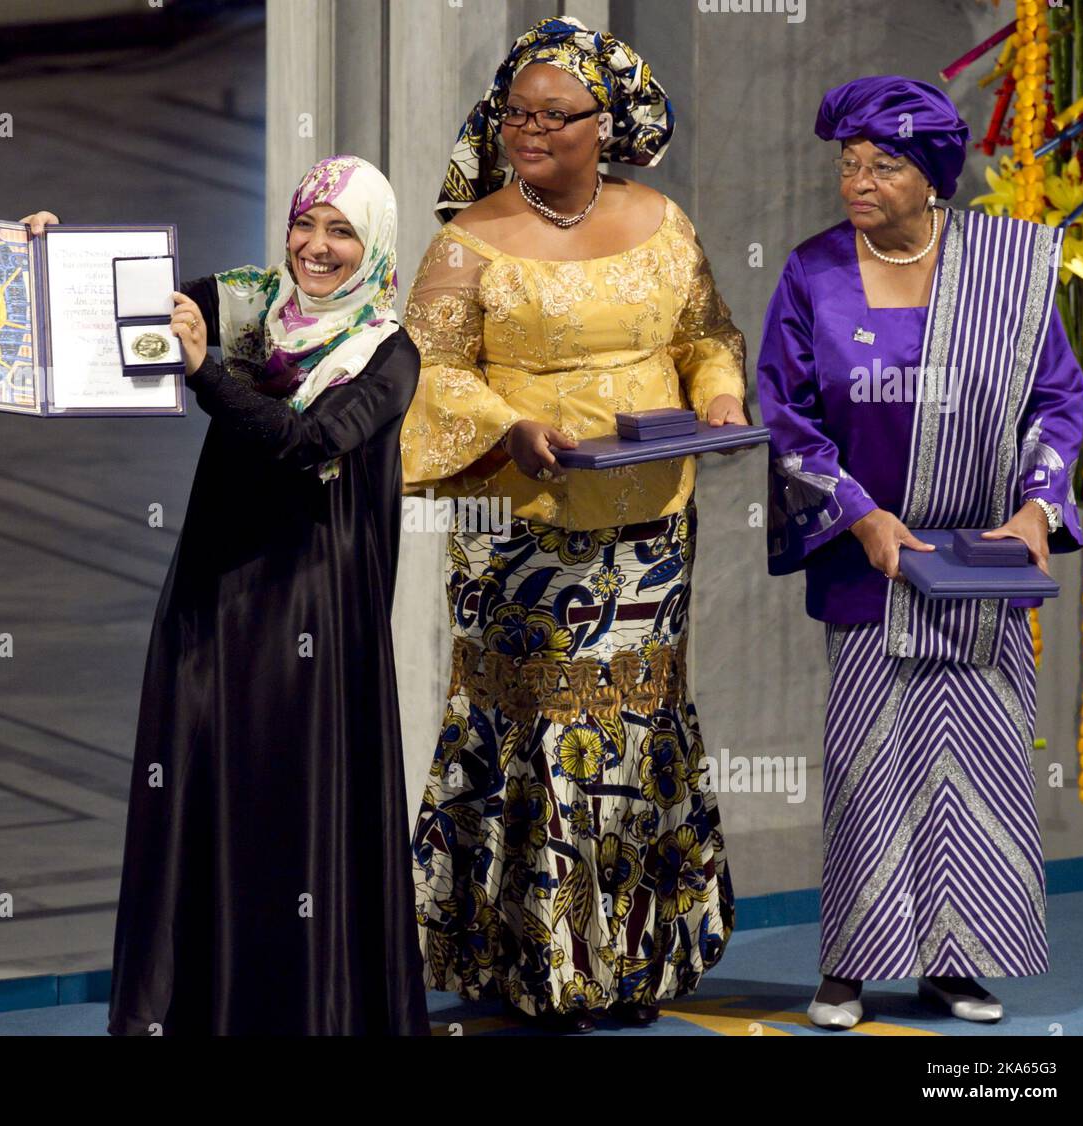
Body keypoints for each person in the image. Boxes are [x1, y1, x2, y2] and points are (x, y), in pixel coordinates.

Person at [21, 153, 430, 1036]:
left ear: (376, 245)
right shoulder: (250, 300)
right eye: (305, 224)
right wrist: (51, 267)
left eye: (341, 232)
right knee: (200, 775)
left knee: (292, 791)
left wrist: (209, 376)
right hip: (214, 584)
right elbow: (134, 309)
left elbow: (307, 443)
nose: (315, 248)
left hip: (308, 602)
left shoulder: (388, 353)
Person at [401, 15, 748, 1034]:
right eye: (515, 112)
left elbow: (706, 334)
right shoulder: (466, 242)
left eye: (554, 115)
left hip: (648, 521)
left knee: (633, 727)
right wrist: (511, 426)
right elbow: (425, 371)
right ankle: (535, 965)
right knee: (540, 729)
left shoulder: (664, 220)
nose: (529, 130)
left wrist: (719, 394)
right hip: (521, 533)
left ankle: (630, 960)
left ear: (609, 123)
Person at [755, 76, 1083, 1030]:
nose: (858, 181)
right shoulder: (813, 270)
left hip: (983, 565)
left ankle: (955, 964)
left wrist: (1034, 510)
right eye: (849, 165)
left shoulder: (1007, 269)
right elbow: (787, 413)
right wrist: (859, 514)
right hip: (877, 565)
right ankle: (849, 967)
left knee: (977, 764)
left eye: (882, 165)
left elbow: (1056, 400)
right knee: (872, 765)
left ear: (932, 176)